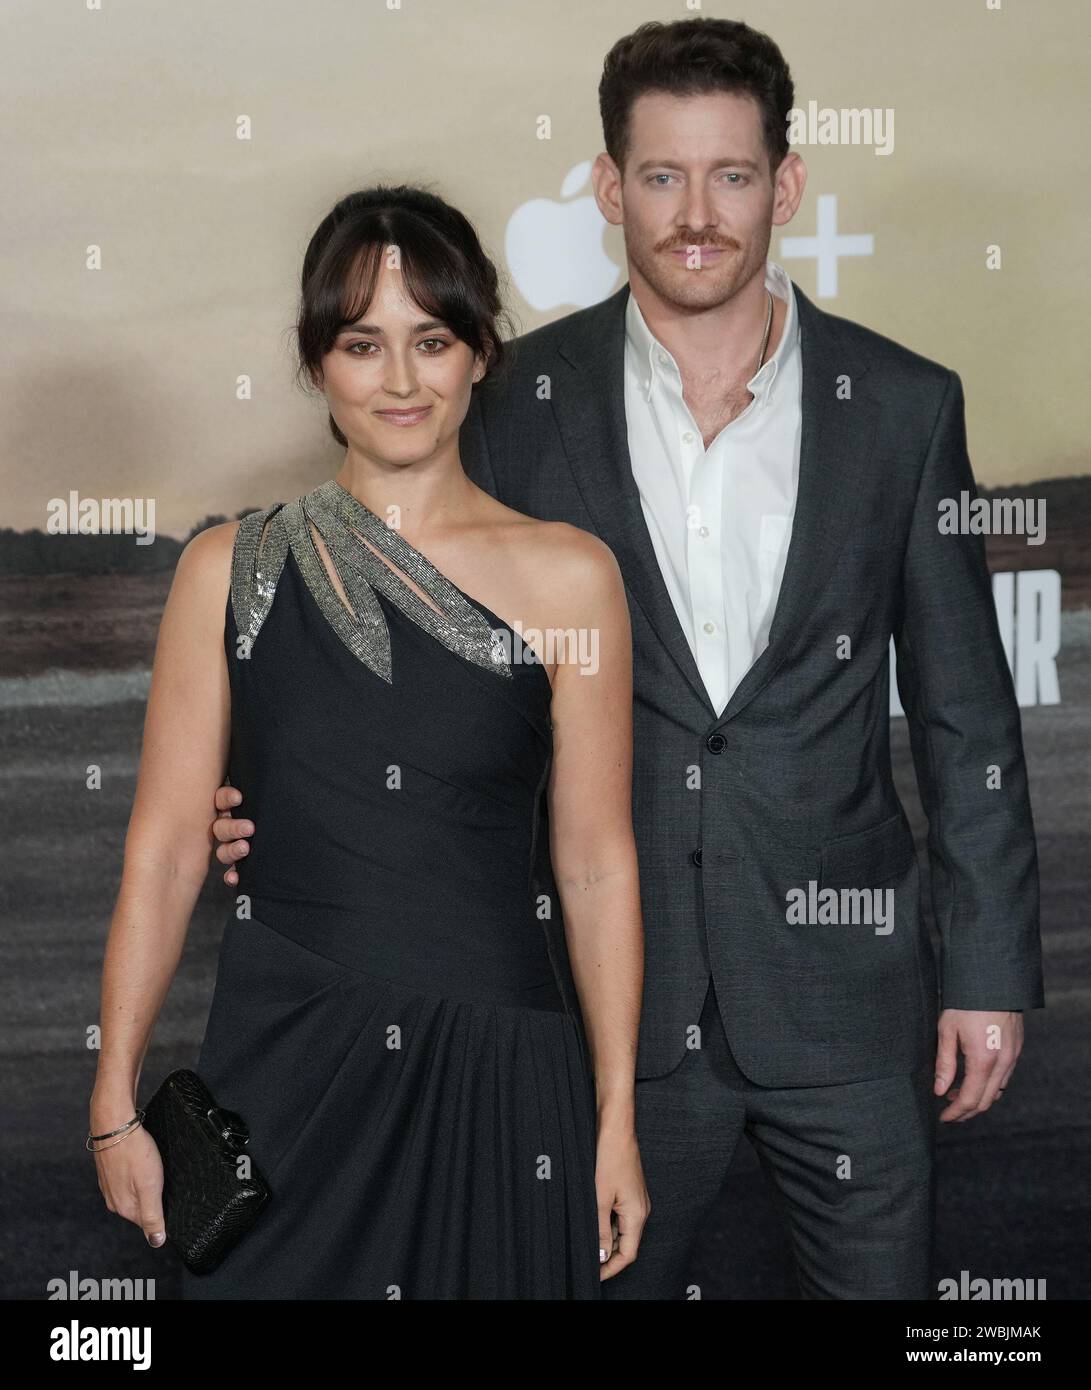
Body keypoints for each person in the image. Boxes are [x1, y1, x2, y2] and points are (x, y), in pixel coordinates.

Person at [213, 18, 1045, 1301]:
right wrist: (272, 803)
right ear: (608, 188)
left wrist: (985, 973)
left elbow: (964, 718)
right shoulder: (506, 406)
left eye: (729, 174)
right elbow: (413, 673)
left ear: (787, 183)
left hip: (849, 1008)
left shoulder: (899, 406)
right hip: (596, 1013)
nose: (696, 214)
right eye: (660, 176)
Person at [89, 185, 650, 1299]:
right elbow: (163, 850)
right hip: (286, 1070)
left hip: (502, 1070)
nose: (400, 380)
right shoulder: (226, 571)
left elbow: (594, 862)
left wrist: (614, 1114)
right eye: (362, 343)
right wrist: (114, 1098)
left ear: (481, 352)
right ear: (314, 365)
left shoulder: (571, 575)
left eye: (431, 340)